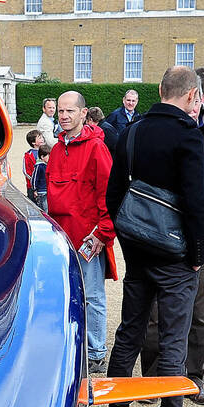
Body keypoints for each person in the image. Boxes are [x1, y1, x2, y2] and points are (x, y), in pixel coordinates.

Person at [103, 66, 204, 407]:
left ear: (158, 90)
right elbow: (196, 201)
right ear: (192, 97)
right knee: (173, 337)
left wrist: (130, 236)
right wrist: (197, 255)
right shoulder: (188, 134)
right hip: (174, 254)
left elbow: (114, 193)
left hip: (137, 249)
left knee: (130, 329)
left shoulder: (131, 131)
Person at [138, 65, 204, 405]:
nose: (196, 103)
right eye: (192, 98)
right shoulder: (156, 127)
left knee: (197, 310)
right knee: (154, 311)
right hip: (159, 236)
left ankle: (192, 378)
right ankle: (153, 381)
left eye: (201, 98)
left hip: (199, 238)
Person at [46, 90, 117, 374]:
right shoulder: (55, 149)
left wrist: (103, 233)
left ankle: (96, 351)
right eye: (60, 111)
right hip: (60, 238)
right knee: (65, 294)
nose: (64, 116)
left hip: (88, 237)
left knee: (93, 296)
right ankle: (71, 344)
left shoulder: (96, 148)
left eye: (70, 111)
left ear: (83, 113)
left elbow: (109, 194)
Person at [22, 129, 42, 200]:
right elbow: (25, 171)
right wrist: (34, 180)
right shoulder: (28, 155)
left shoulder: (46, 152)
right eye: (39, 138)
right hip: (32, 186)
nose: (42, 139)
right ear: (33, 142)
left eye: (42, 137)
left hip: (43, 185)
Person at [32, 143, 50, 213]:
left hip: (48, 190)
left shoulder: (48, 165)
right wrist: (35, 189)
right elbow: (34, 178)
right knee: (45, 209)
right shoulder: (39, 166)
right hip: (42, 191)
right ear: (42, 157)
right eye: (49, 156)